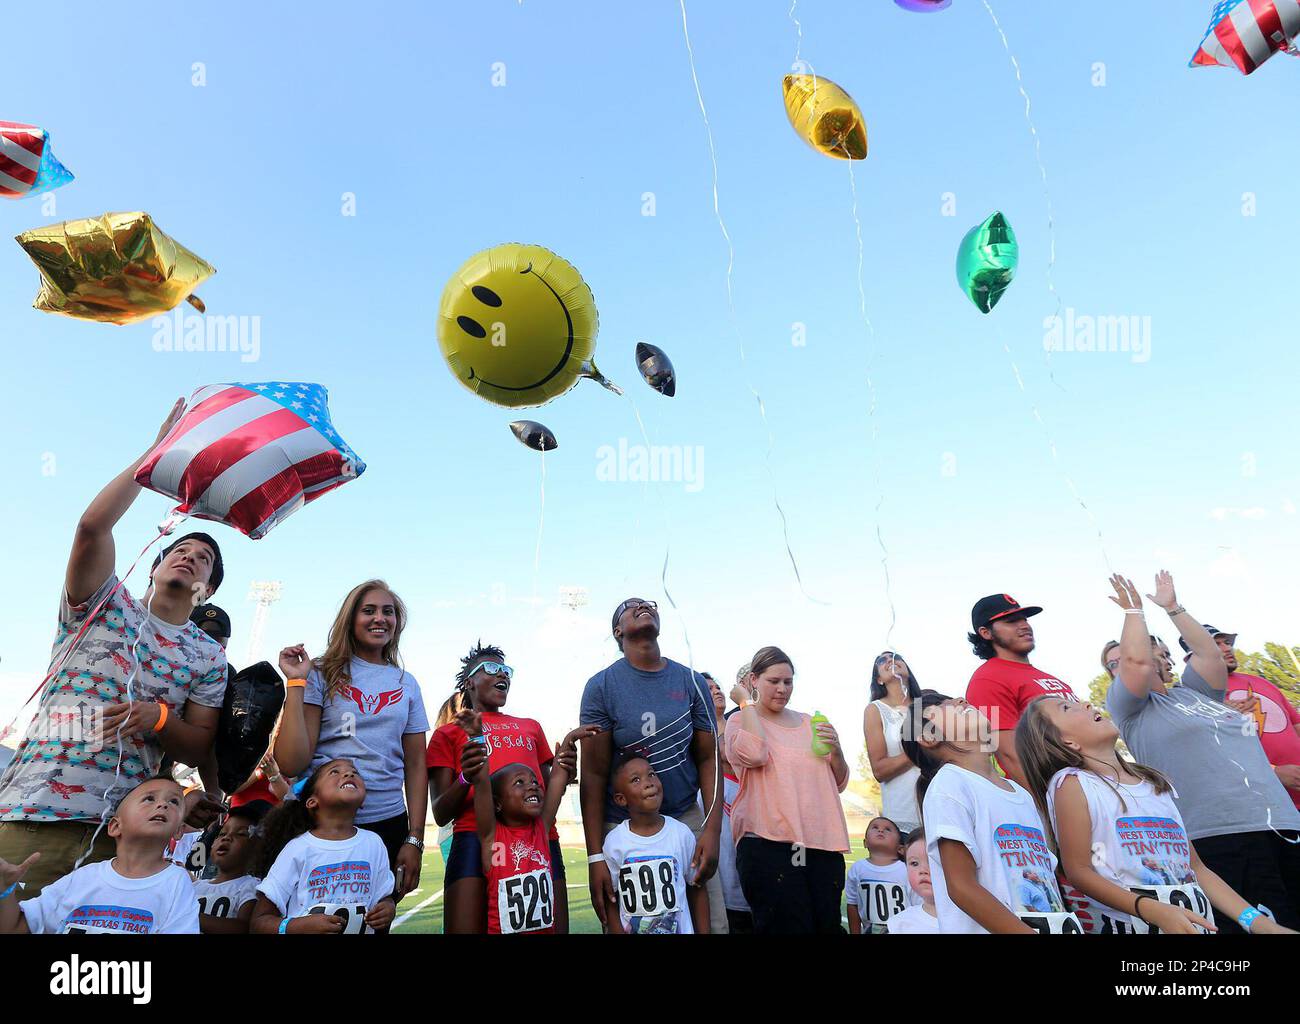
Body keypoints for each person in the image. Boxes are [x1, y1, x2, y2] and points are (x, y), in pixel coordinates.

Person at [0, 400, 229, 897]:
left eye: (204, 560)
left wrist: (160, 719)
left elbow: (198, 743)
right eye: (180, 551)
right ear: (156, 565)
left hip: (124, 838)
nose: (189, 558)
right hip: (32, 813)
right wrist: (156, 453)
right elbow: (91, 527)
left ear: (206, 591)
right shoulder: (102, 603)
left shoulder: (209, 656)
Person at [1104, 572, 1300, 931]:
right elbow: (1136, 664)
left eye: (1150, 649)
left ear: (1166, 658)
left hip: (1282, 823)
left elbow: (1208, 651)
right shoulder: (1130, 709)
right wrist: (1133, 613)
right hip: (1217, 836)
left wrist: (1173, 608)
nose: (1132, 659)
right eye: (1115, 662)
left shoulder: (1196, 692)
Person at [1016, 692, 1293, 935]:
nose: (1087, 704)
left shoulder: (1155, 784)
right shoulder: (1073, 784)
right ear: (1066, 742)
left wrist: (1256, 922)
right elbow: (1079, 871)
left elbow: (1197, 869)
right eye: (1067, 708)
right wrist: (1149, 909)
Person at [275, 579, 428, 899]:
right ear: (350, 618)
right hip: (320, 819)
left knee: (373, 922)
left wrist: (414, 839)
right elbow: (292, 762)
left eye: (389, 612)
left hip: (388, 823)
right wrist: (297, 683)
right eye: (368, 610)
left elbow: (416, 765)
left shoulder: (407, 683)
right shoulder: (320, 671)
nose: (380, 618)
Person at [579, 597, 724, 932]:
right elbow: (595, 775)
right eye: (630, 606)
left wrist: (711, 830)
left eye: (648, 603)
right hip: (624, 828)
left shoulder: (691, 680)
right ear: (618, 630)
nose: (641, 605)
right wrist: (595, 856)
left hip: (686, 819)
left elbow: (708, 756)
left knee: (711, 924)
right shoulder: (601, 686)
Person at [902, 690, 1079, 934]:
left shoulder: (1020, 793)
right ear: (928, 738)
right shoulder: (949, 785)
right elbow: (961, 887)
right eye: (939, 708)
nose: (960, 700)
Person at [428, 642, 571, 933]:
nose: (501, 674)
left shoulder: (531, 726)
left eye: (506, 670)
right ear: (469, 682)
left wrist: (565, 772)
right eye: (491, 669)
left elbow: (548, 791)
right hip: (475, 838)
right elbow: (441, 812)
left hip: (537, 839)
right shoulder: (448, 734)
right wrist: (467, 778)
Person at [724, 646, 850, 934]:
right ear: (754, 680)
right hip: (768, 844)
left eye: (788, 682)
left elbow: (838, 783)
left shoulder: (810, 722)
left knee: (826, 928)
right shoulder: (739, 721)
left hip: (821, 844)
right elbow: (755, 754)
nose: (782, 689)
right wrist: (746, 704)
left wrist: (838, 750)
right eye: (774, 681)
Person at [0, 776, 199, 934]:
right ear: (115, 826)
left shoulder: (176, 881)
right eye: (149, 798)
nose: (163, 805)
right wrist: (5, 891)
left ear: (179, 831)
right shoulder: (83, 877)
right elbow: (16, 927)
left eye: (174, 802)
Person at [462, 709, 590, 935]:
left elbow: (558, 779)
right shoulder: (492, 837)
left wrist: (570, 739)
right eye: (519, 782)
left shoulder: (541, 829)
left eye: (534, 780)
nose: (532, 785)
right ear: (497, 804)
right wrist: (476, 737)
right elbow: (481, 783)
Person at [249, 758, 396, 934]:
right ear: (312, 801)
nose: (349, 774)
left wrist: (388, 908)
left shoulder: (374, 843)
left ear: (363, 801)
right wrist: (297, 926)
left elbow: (384, 897)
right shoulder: (297, 849)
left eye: (355, 772)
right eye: (335, 772)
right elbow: (259, 922)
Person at [1179, 625, 1300, 810]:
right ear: (1192, 658)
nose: (1227, 648)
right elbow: (1211, 754)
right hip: (1268, 809)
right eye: (1216, 644)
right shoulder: (1192, 697)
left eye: (1227, 642)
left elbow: (1295, 725)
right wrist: (1273, 772)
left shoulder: (1260, 681)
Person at [965, 594, 1074, 786]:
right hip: (1059, 791)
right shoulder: (986, 679)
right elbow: (1009, 754)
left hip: (1091, 784)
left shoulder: (1045, 675)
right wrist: (1049, 804)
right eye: (1011, 621)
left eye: (1024, 619)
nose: (1024, 625)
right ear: (985, 632)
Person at [601, 755, 709, 934]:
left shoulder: (681, 834)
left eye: (651, 774)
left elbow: (697, 887)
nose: (648, 782)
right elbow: (611, 897)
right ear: (621, 799)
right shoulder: (614, 842)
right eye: (636, 780)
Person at [703, 670, 752, 933]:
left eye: (718, 687)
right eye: (708, 689)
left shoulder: (742, 720)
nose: (717, 691)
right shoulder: (695, 737)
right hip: (720, 812)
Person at [864, 651, 923, 833]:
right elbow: (879, 771)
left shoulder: (928, 705)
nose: (891, 660)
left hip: (938, 809)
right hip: (902, 817)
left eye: (897, 657)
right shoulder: (875, 710)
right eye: (883, 660)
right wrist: (919, 749)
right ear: (879, 680)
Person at [194, 802, 267, 934]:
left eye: (241, 834)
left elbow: (244, 928)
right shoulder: (195, 887)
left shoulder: (251, 886)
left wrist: (190, 916)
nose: (227, 838)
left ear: (257, 847)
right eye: (222, 834)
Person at [845, 816, 916, 934]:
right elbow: (853, 904)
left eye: (887, 829)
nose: (880, 830)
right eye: (875, 827)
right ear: (865, 843)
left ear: (901, 848)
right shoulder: (857, 869)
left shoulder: (907, 870)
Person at [887, 828, 940, 934]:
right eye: (914, 863)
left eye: (933, 861)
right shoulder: (900, 924)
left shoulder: (974, 917)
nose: (923, 871)